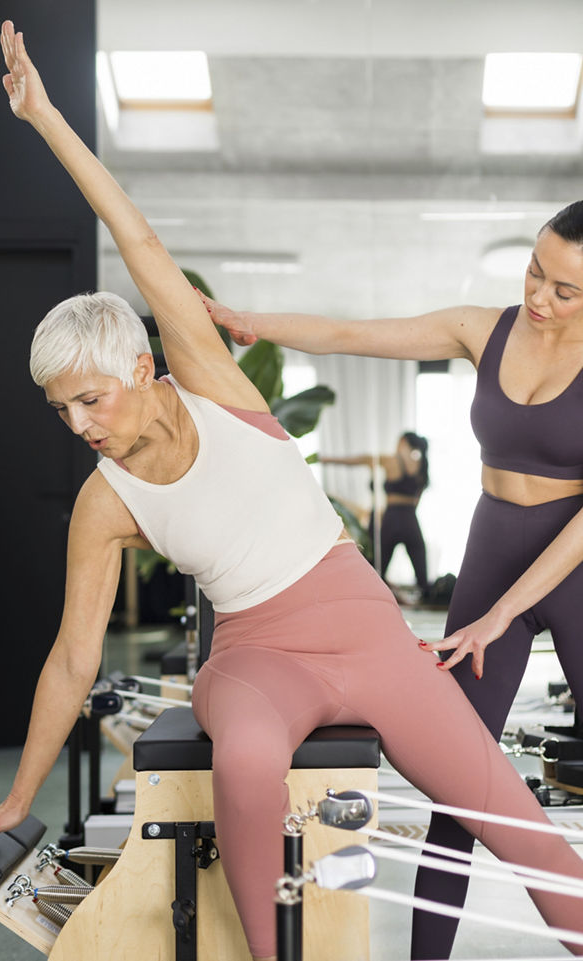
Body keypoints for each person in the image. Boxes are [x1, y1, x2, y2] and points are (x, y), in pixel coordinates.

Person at [0, 24, 583, 961]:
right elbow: (72, 657)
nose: (80, 423)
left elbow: (135, 230)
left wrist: (42, 115)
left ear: (140, 363)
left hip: (362, 626)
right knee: (245, 759)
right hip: (255, 654)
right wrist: (17, 794)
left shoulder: (206, 376)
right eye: (61, 409)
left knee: (507, 811)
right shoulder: (104, 502)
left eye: (90, 397)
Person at [200, 205, 583, 958]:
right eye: (536, 271)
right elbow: (354, 335)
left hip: (571, 567)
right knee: (459, 789)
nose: (539, 295)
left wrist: (504, 614)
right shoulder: (485, 328)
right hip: (492, 549)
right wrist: (252, 322)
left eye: (565, 290)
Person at [320, 431, 430, 597]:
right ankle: (427, 599)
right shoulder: (421, 464)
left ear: (403, 442)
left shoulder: (392, 460)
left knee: (376, 569)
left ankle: (370, 598)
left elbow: (360, 460)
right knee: (422, 577)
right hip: (410, 519)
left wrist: (327, 460)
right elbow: (416, 500)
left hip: (392, 518)